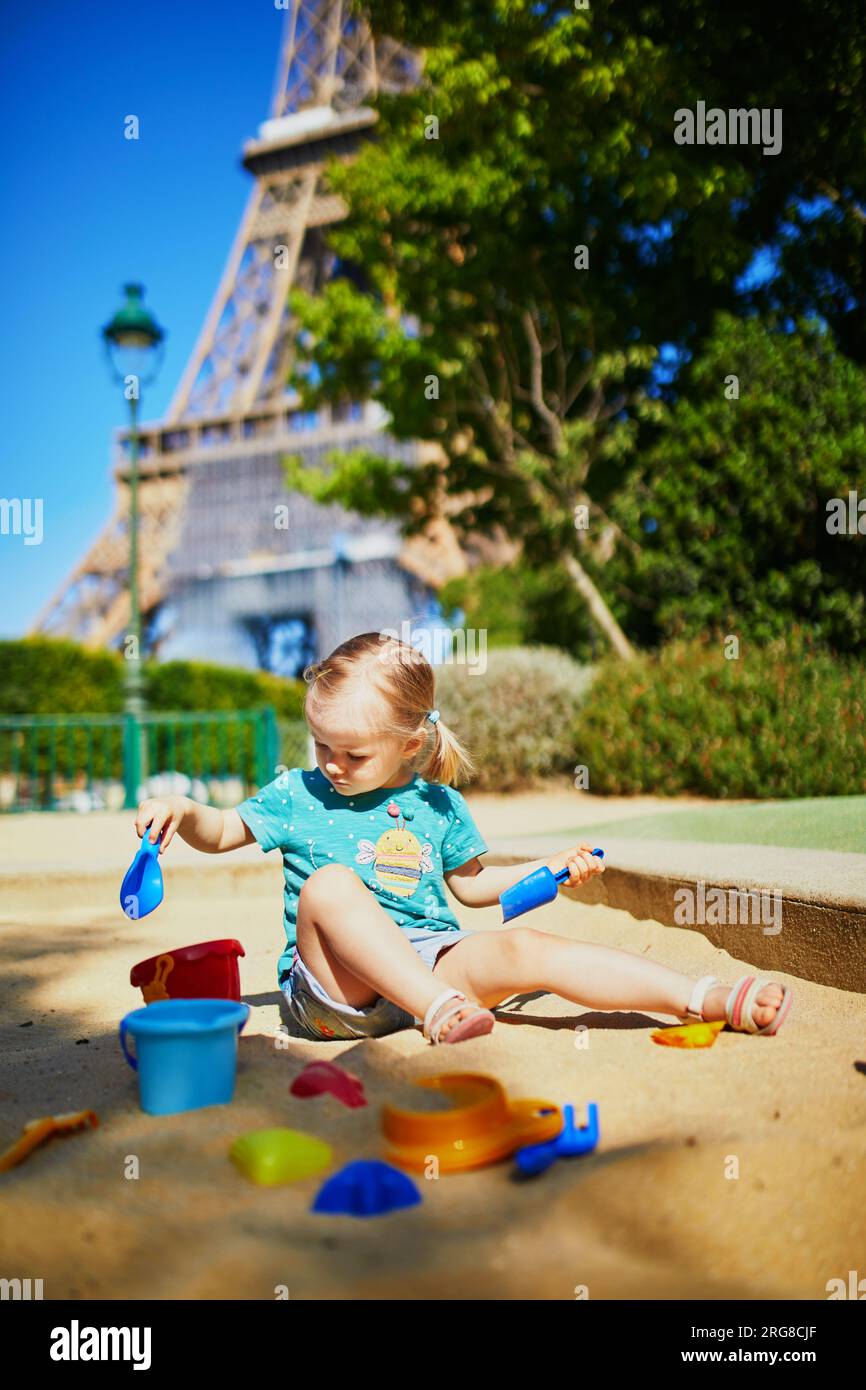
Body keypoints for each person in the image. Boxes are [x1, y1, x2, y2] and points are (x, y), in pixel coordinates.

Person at [135, 631, 792, 1044]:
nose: (332, 763)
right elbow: (220, 832)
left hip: (430, 962)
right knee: (332, 886)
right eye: (321, 745)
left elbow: (475, 890)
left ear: (410, 745)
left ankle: (699, 996)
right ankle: (438, 1009)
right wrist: (180, 809)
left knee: (525, 946)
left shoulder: (437, 804)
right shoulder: (296, 793)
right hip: (337, 996)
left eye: (353, 754)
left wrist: (548, 867)